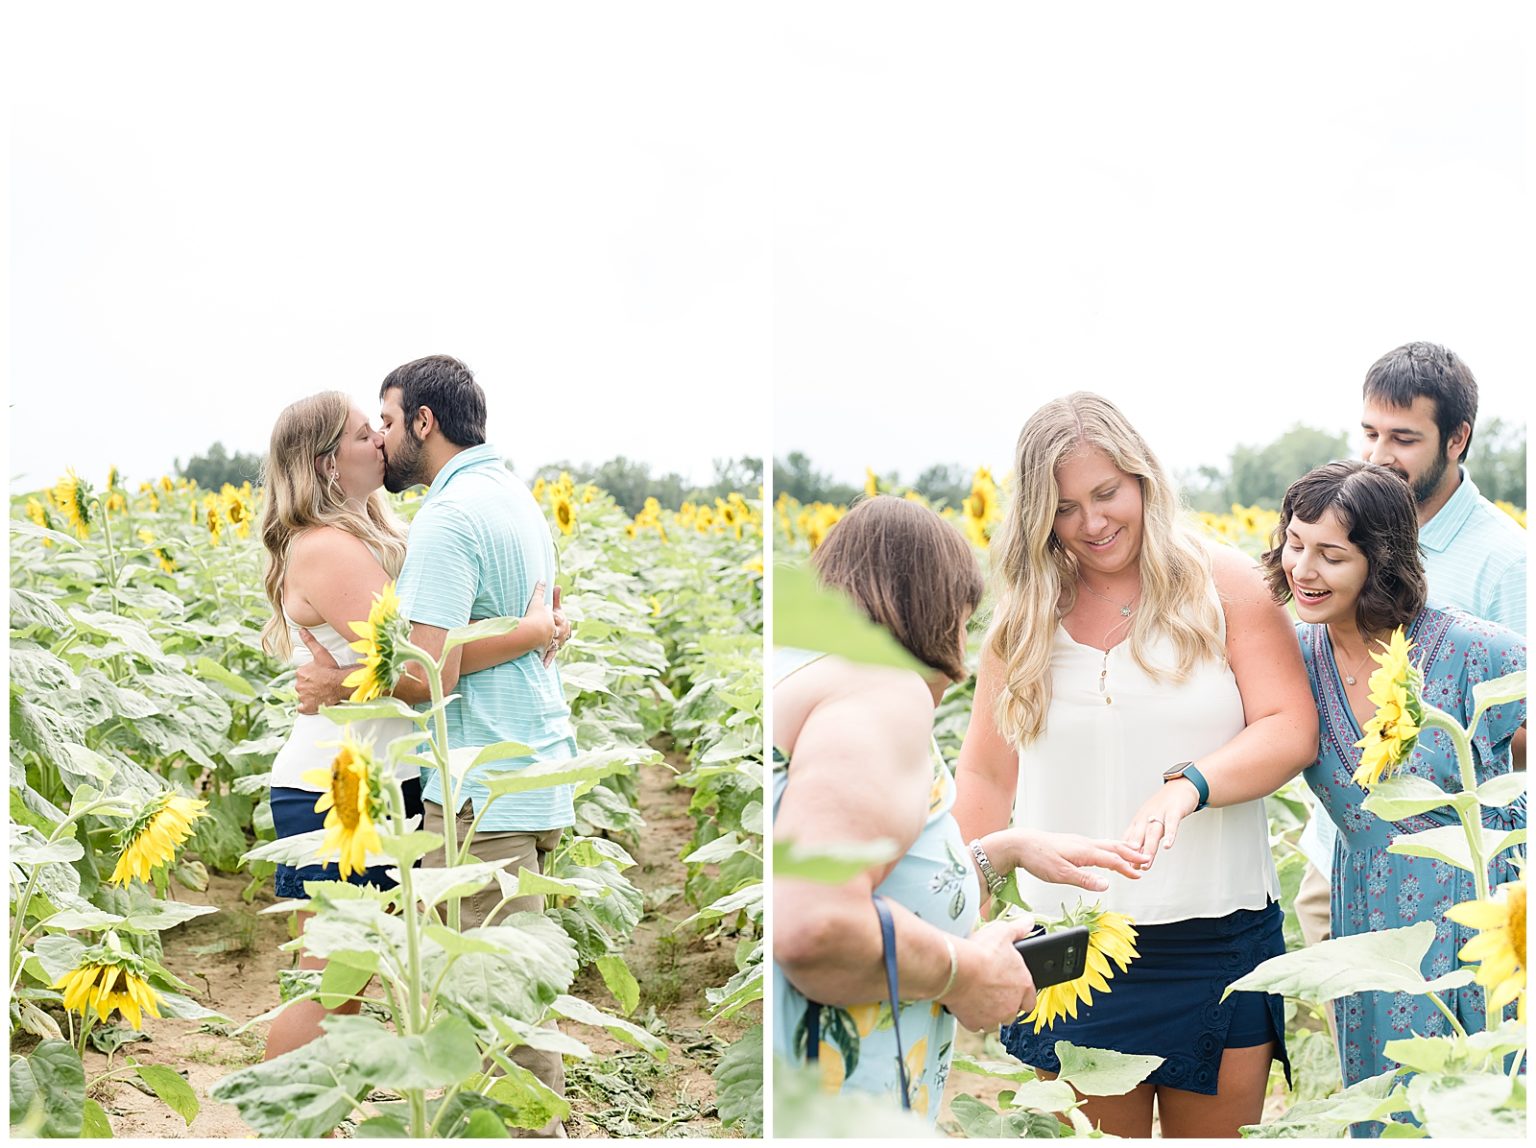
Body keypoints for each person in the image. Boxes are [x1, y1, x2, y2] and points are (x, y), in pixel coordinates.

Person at [953, 393, 1319, 1139]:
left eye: (1105, 493)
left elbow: (1290, 727)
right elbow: (988, 777)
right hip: (1069, 949)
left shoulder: (1223, 584)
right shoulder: (1023, 619)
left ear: (1143, 478)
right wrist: (964, 916)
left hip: (1217, 938)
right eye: (1063, 508)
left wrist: (1191, 787)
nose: (1092, 523)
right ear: (1037, 516)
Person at [773, 495, 1150, 1122]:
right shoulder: (882, 691)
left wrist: (1000, 853)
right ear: (938, 608)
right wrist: (967, 972)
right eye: (964, 621)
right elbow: (815, 923)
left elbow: (872, 881)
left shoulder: (806, 672)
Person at [293, 357, 575, 1136]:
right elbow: (541, 621)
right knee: (510, 991)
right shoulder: (513, 495)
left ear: (423, 422)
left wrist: (342, 686)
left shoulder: (449, 519)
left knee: (489, 1011)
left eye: (387, 422)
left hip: (481, 792)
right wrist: (534, 632)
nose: (381, 442)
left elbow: (426, 674)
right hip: (538, 778)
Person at [1261, 459, 1525, 1133]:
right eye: (1295, 544)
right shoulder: (1292, 661)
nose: (1304, 570)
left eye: (1331, 555)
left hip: (1485, 919)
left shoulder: (1475, 652)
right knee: (1388, 1115)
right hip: (1371, 922)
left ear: (1379, 561)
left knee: (1489, 1110)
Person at [1295, 342, 1526, 975]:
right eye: (1369, 432)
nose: (1377, 454)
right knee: (1359, 1059)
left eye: (1403, 437)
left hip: (1459, 874)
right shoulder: (1344, 526)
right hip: (1344, 850)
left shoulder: (1505, 559)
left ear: (1457, 439)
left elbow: (1521, 730)